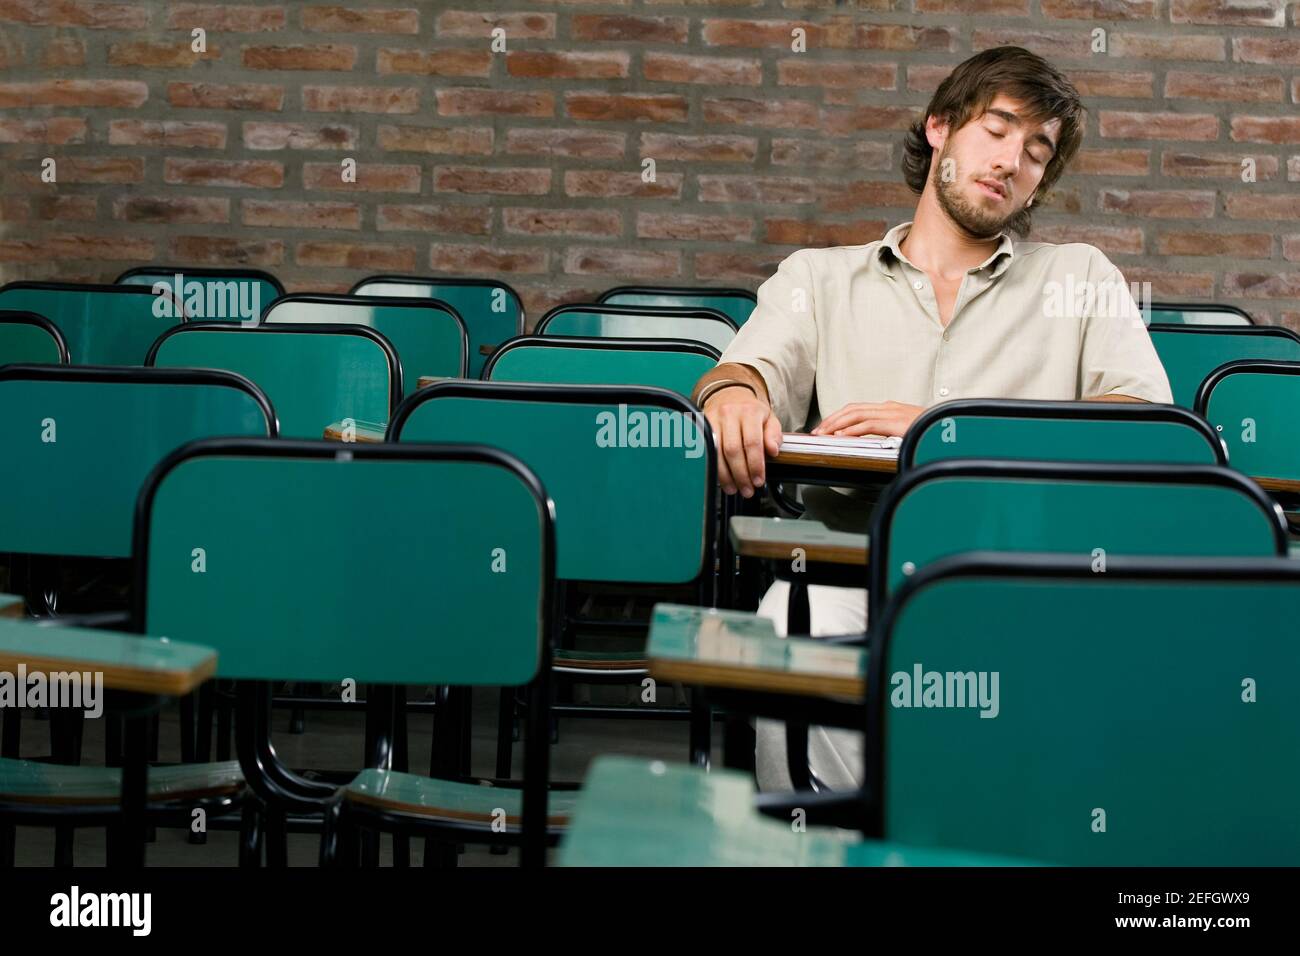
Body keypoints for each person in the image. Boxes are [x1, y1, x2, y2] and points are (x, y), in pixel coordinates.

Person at [692, 46, 1173, 792]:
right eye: (998, 128)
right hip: (854, 569)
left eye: (1036, 150)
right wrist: (734, 396)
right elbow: (743, 370)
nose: (1012, 160)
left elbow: (1146, 427)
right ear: (940, 128)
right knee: (789, 613)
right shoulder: (819, 278)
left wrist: (944, 425)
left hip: (1030, 575)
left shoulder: (1080, 276)